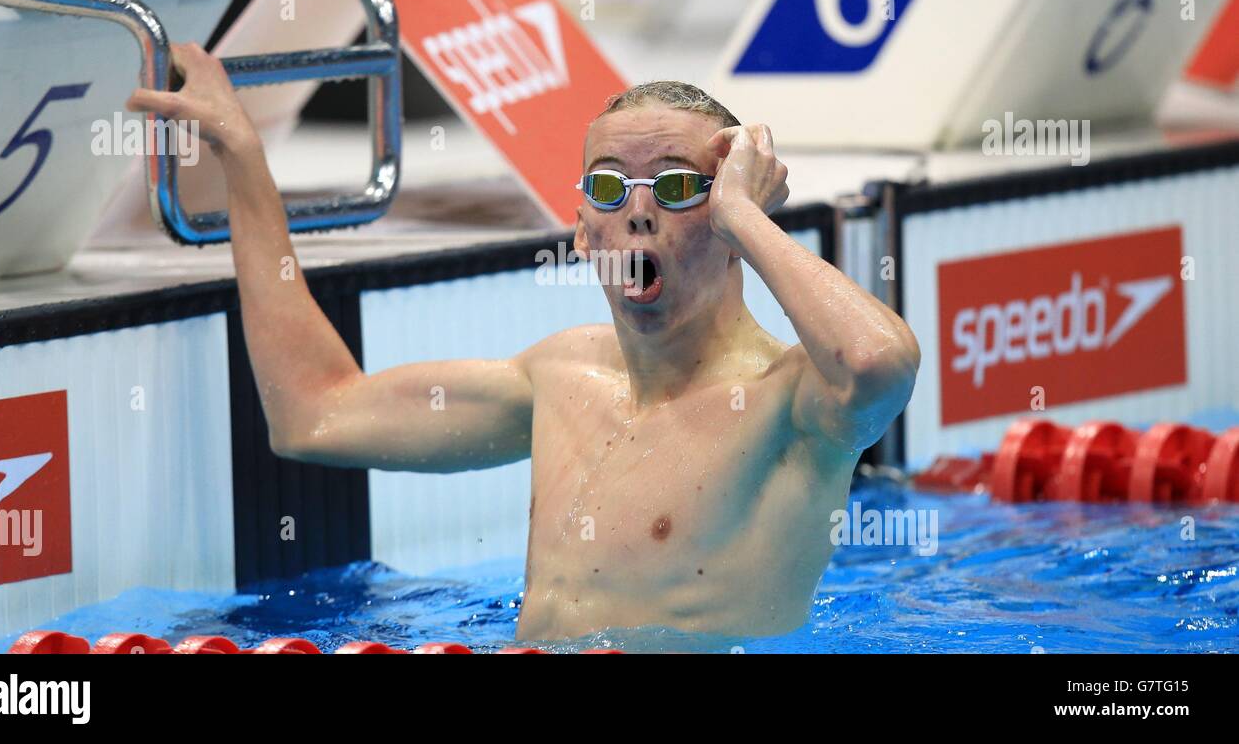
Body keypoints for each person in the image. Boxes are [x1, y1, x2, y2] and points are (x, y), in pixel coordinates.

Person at [127, 43, 921, 640]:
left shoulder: (791, 403)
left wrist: (745, 217)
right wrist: (243, 156)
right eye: (609, 187)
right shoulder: (560, 376)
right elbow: (313, 413)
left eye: (680, 187)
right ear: (581, 231)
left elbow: (879, 364)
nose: (639, 212)